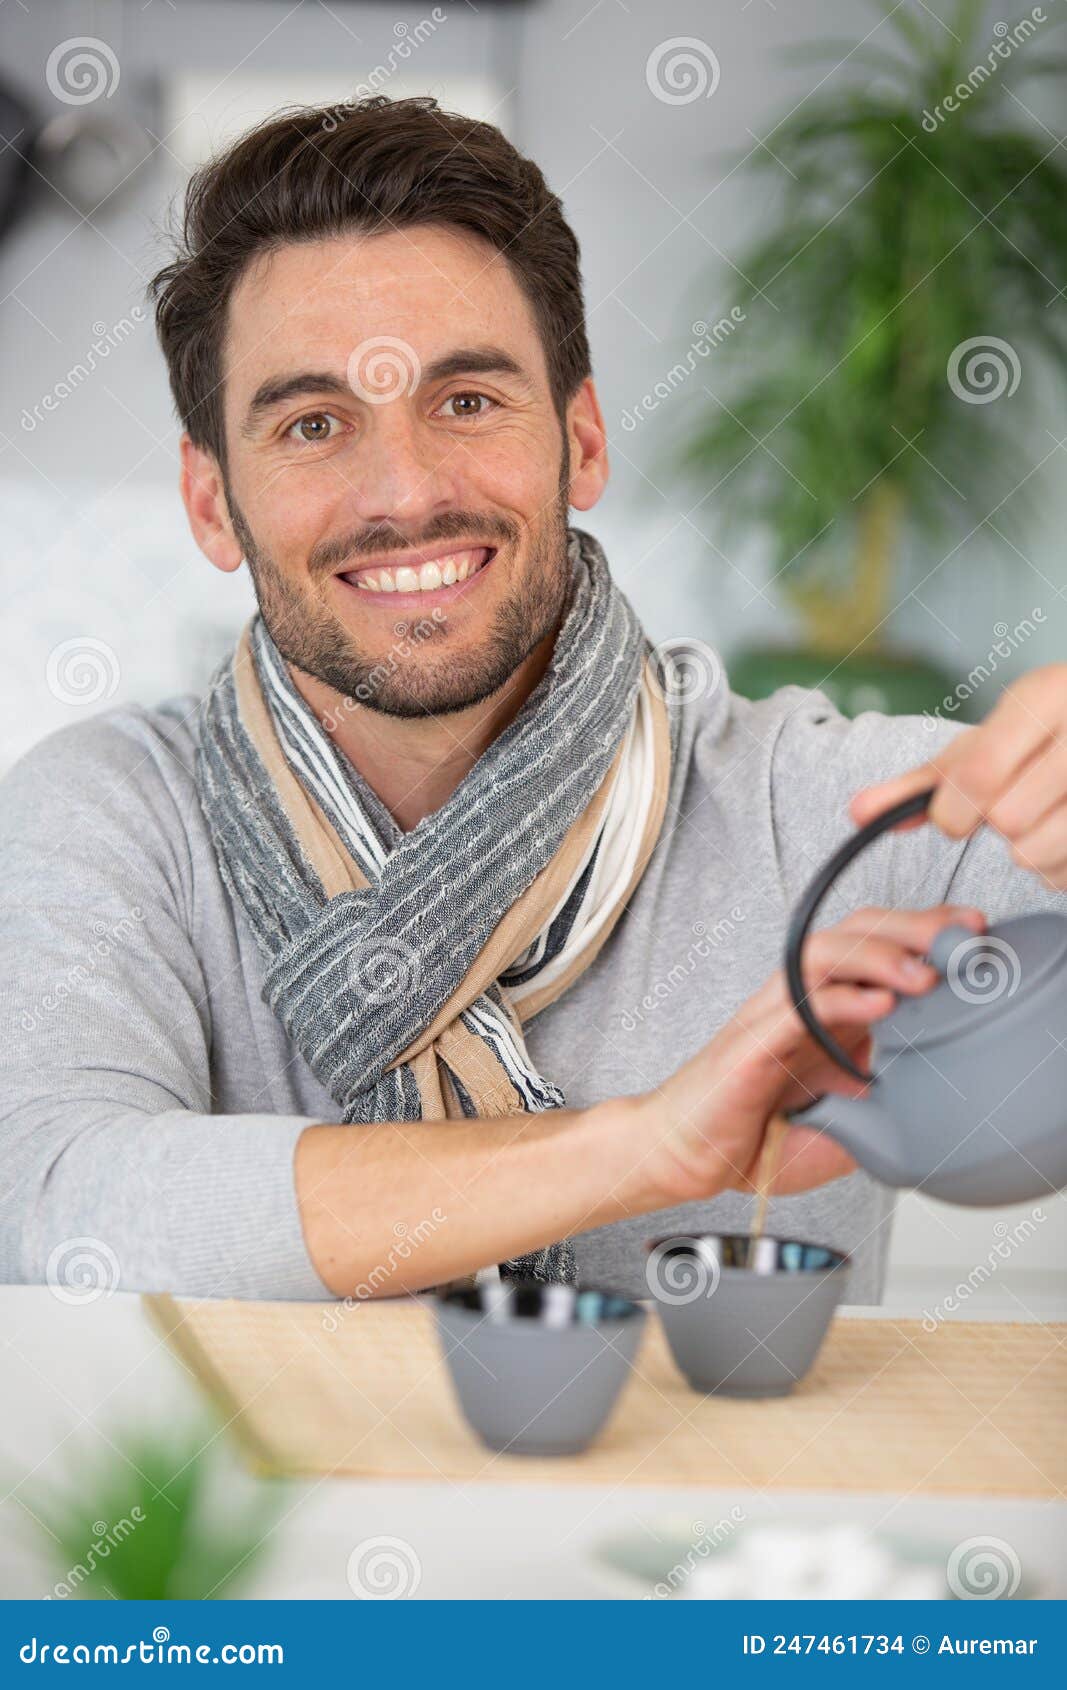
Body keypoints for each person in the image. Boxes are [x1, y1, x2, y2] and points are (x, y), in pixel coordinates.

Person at [2, 97, 1065, 1306]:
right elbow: (53, 1203)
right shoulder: (110, 816)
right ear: (210, 504)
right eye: (312, 424)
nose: (402, 491)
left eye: (466, 401)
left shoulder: (845, 816)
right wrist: (642, 1145)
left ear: (583, 437)